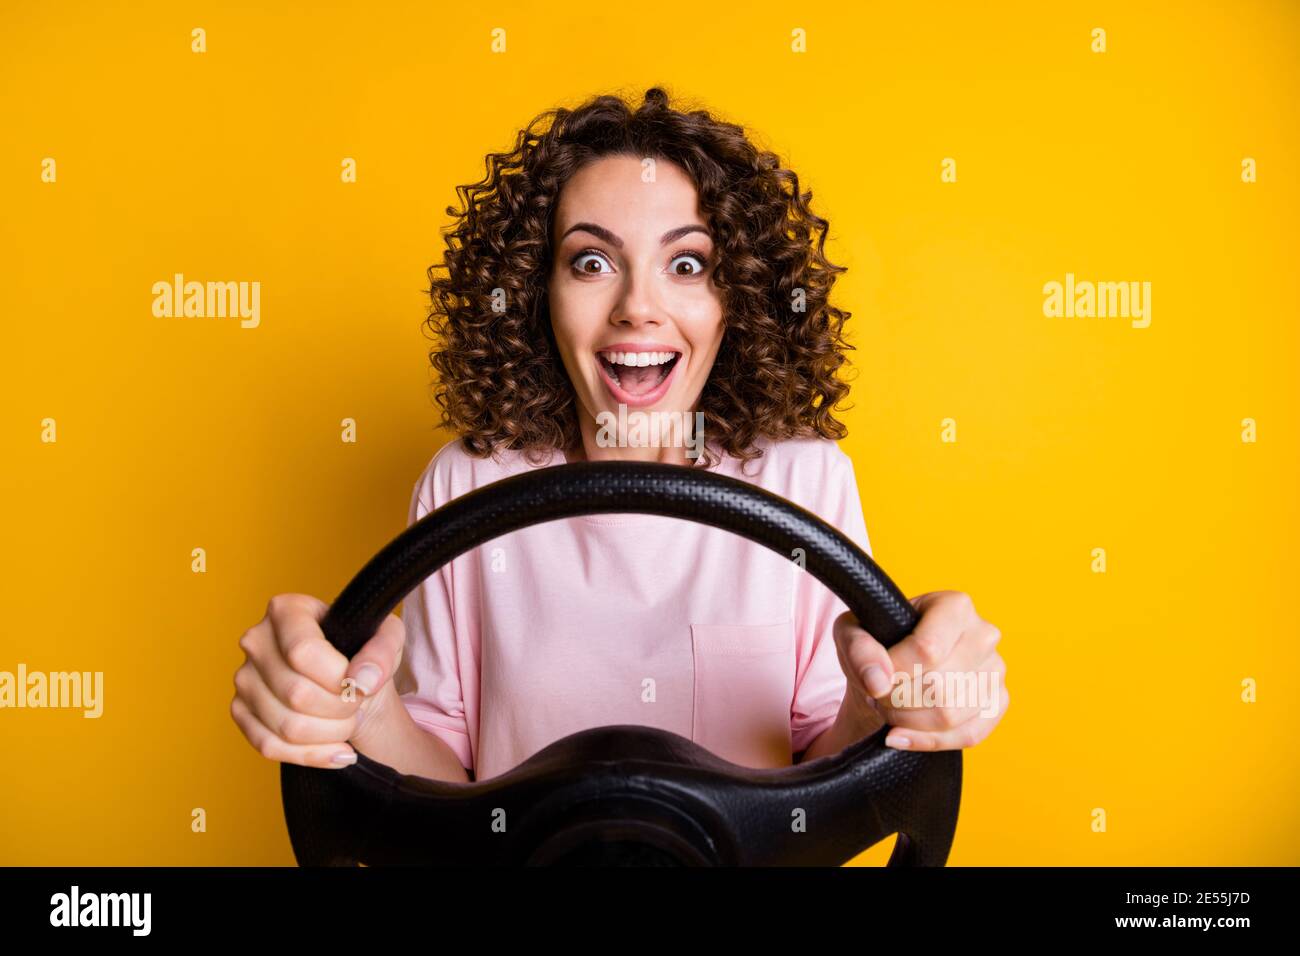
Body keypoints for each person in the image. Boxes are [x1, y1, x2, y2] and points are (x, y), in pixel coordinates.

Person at [231, 87, 1008, 786]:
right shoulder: (465, 485)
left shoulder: (806, 481)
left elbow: (820, 768)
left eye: (688, 264)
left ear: (738, 300)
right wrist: (350, 708)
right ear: (541, 294)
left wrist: (904, 699)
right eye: (593, 261)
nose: (639, 307)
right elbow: (447, 782)